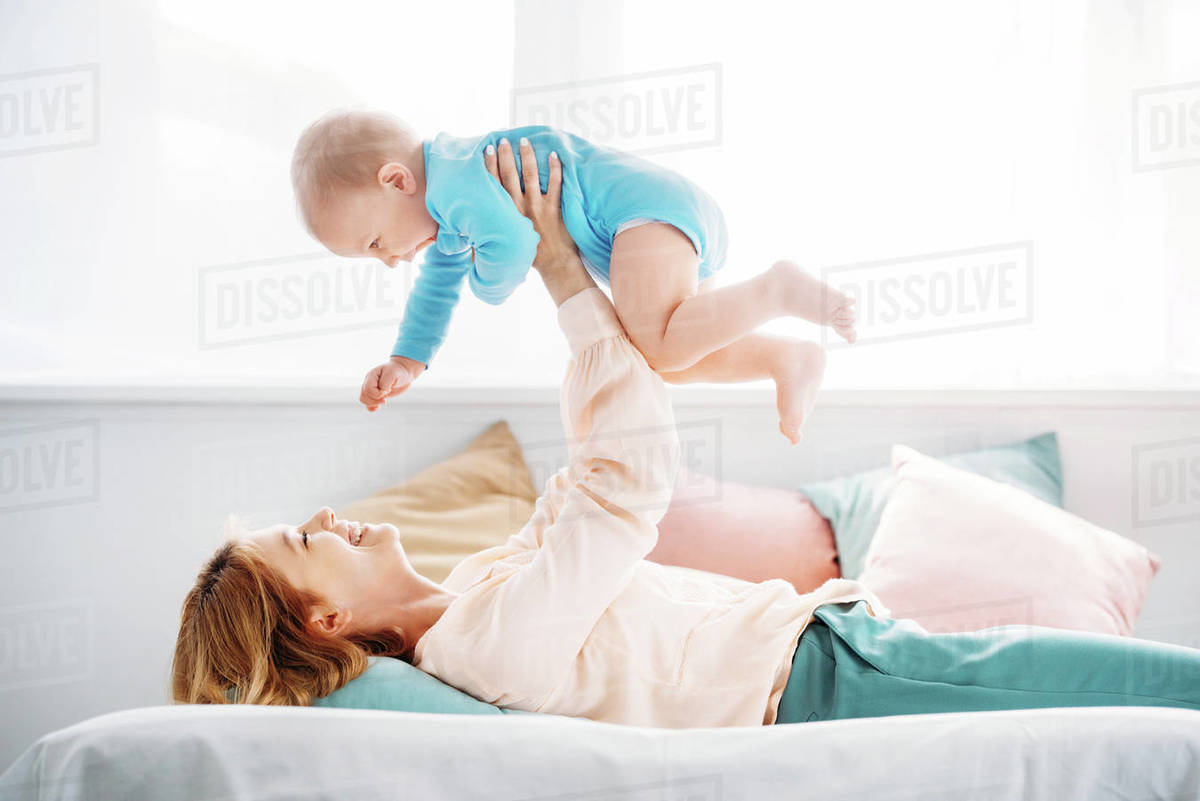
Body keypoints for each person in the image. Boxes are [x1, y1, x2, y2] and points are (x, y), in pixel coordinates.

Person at [174, 139, 1200, 728]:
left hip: (833, 650)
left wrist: (561, 270)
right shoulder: (482, 645)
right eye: (304, 540)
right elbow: (624, 486)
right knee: (1125, 690)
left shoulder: (478, 597)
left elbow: (586, 484)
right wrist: (565, 274)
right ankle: (773, 326)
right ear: (325, 626)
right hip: (823, 679)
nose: (325, 515)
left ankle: (769, 339)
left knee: (1119, 686)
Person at [290, 111, 856, 443]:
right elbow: (436, 287)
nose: (390, 259)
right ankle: (787, 358)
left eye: (375, 243)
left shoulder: (456, 184)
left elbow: (514, 244)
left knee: (657, 345)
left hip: (640, 213)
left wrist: (488, 287)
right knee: (667, 359)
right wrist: (407, 359)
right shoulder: (446, 206)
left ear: (395, 181)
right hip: (651, 224)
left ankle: (778, 289)